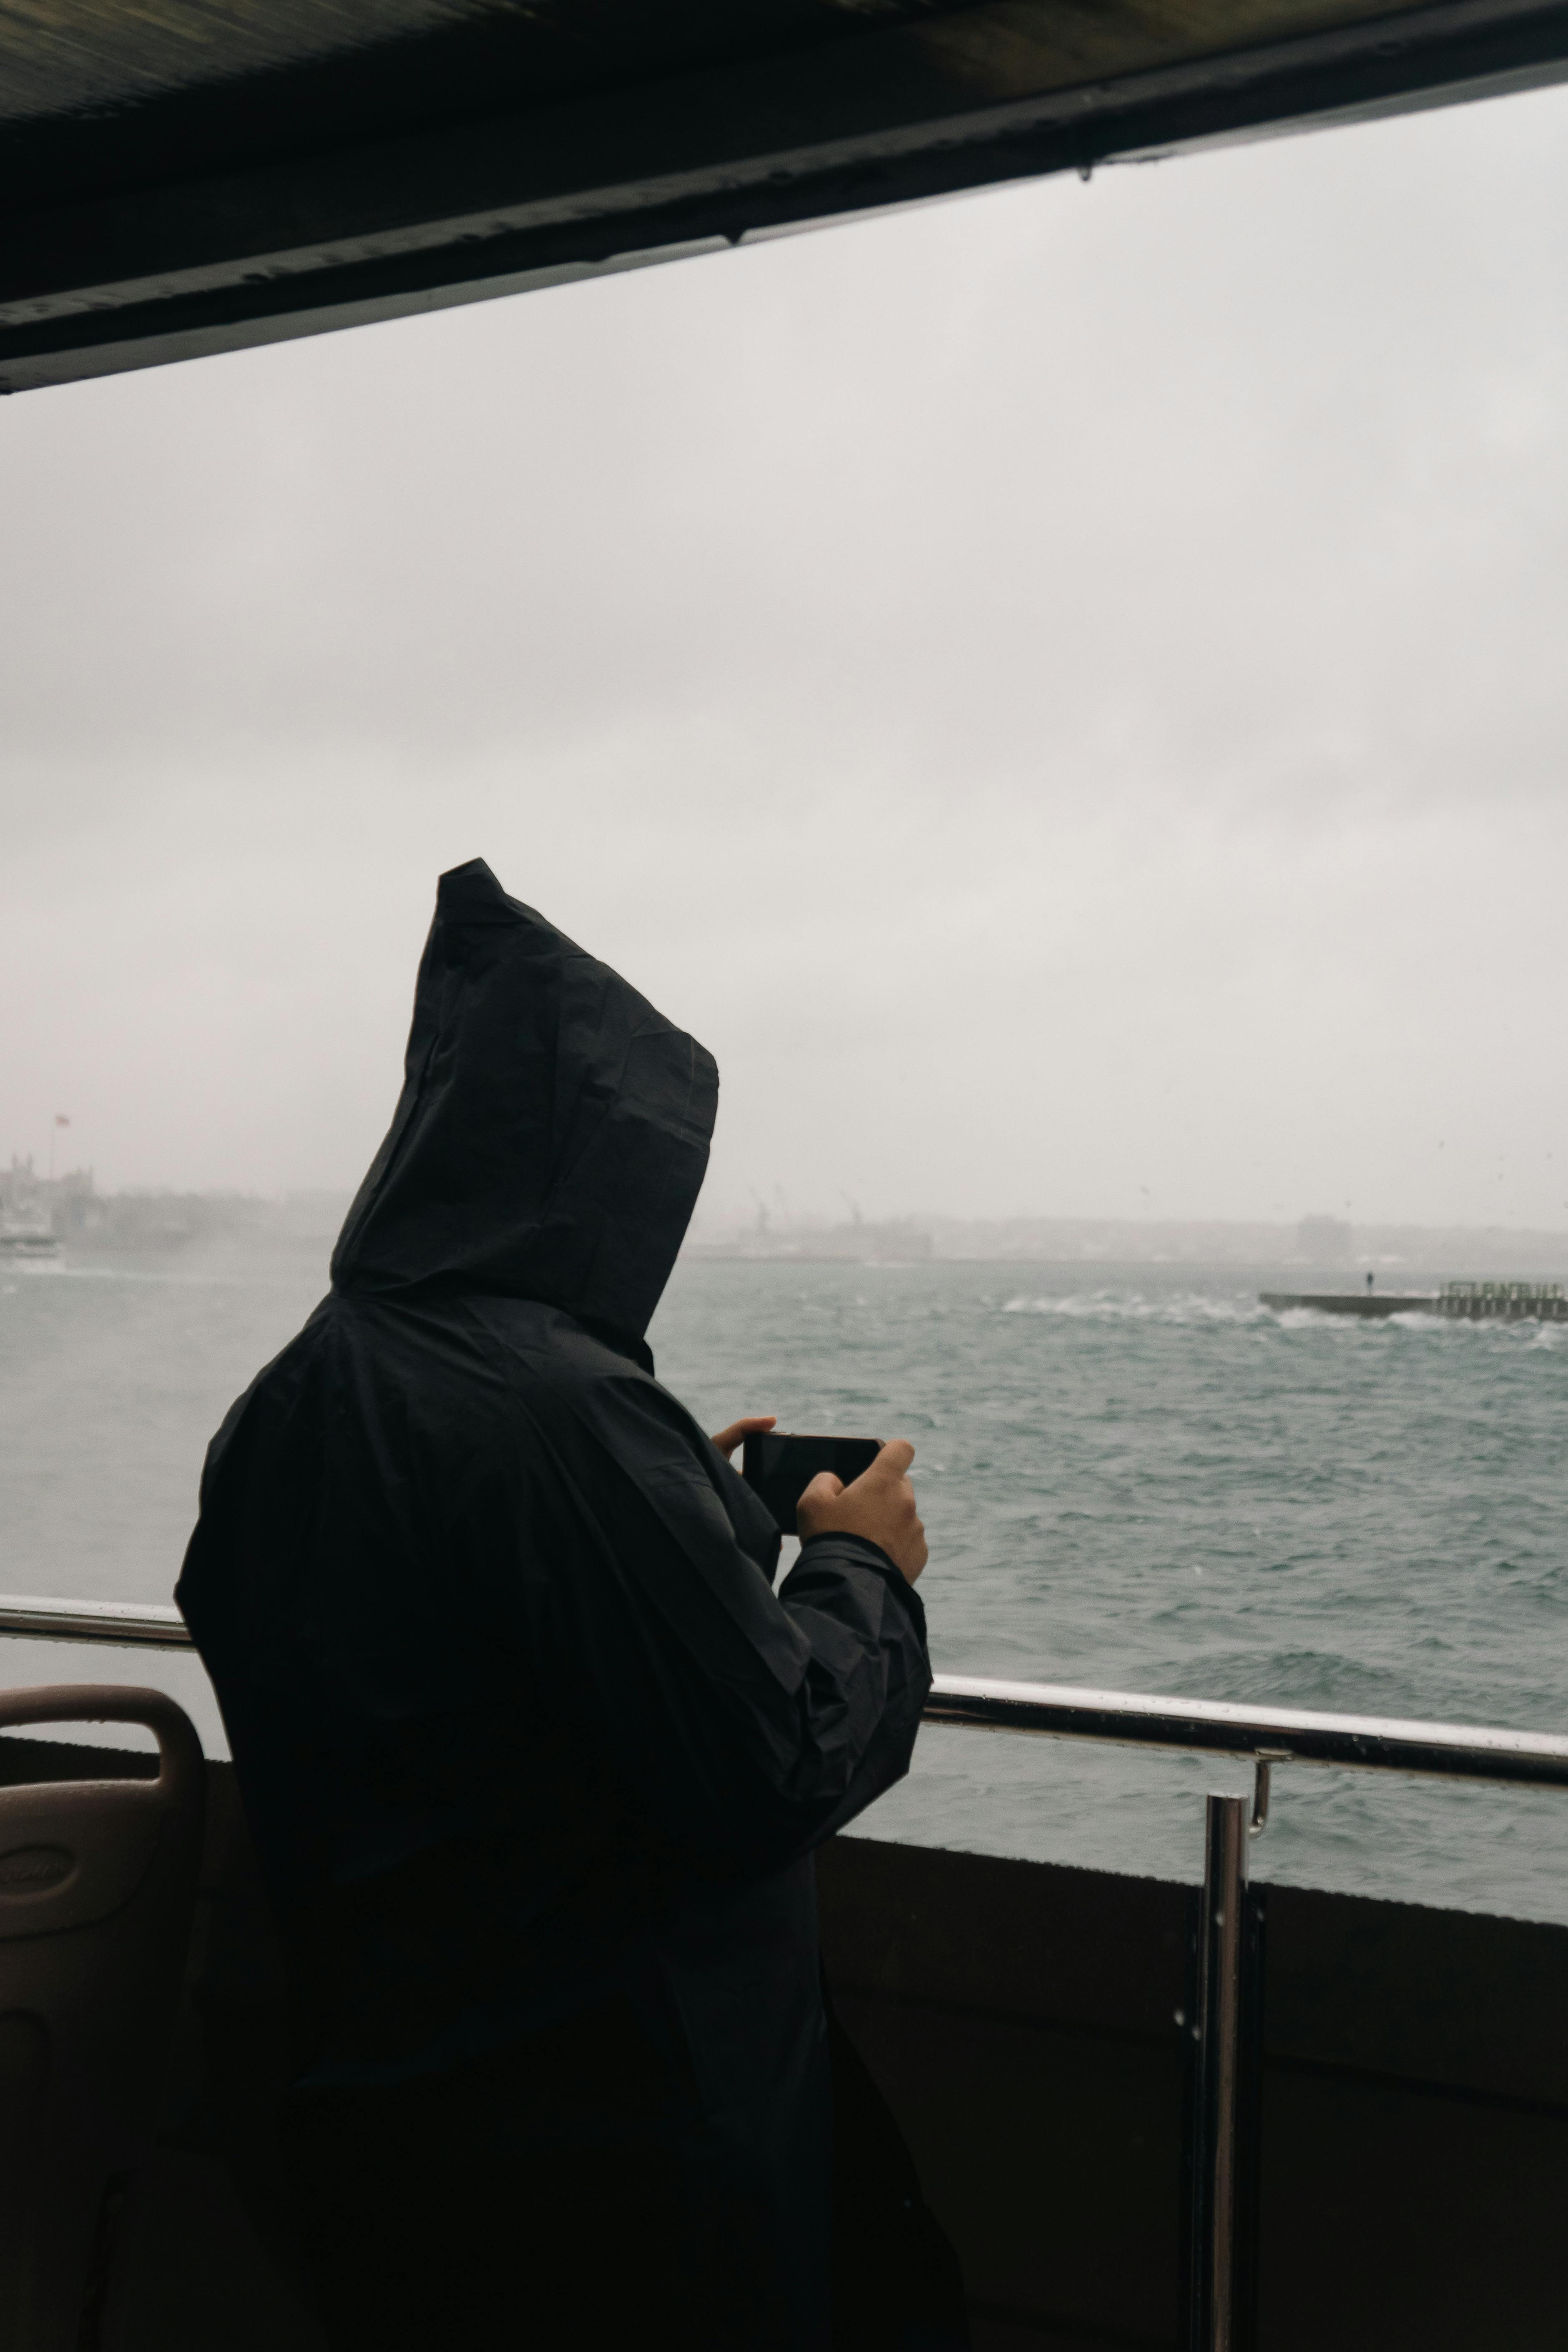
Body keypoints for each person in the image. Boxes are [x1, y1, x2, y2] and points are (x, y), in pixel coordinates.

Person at [176, 859, 960, 2351]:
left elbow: (437, 1673)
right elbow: (777, 1758)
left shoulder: (295, 1389)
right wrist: (862, 1566)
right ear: (597, 1169)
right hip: (608, 2168)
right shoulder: (562, 1410)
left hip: (379, 2123)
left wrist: (690, 1529)